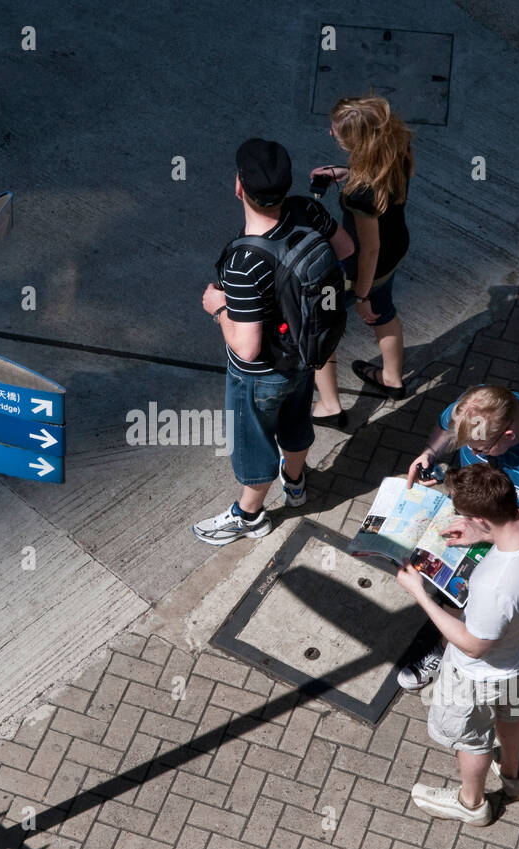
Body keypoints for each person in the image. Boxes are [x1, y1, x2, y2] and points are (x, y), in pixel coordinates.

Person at [395, 463, 519, 825]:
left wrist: (421, 595)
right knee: (514, 713)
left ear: (479, 516)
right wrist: (485, 535)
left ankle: (472, 803)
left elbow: (473, 645)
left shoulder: (494, 584)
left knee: (472, 738)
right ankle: (512, 776)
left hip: (480, 675)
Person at [192, 139, 354, 545]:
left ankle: (249, 515)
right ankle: (296, 484)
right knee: (296, 423)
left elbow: (245, 347)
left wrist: (217, 308)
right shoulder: (305, 209)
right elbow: (346, 248)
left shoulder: (245, 262)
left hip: (259, 375)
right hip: (305, 352)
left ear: (238, 187)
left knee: (253, 444)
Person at [397, 385, 519, 690]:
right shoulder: (477, 409)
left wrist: (491, 528)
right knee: (452, 590)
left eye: (481, 450)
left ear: (508, 436)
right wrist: (430, 453)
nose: (473, 455)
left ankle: (446, 650)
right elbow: (448, 427)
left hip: (510, 536)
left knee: (471, 602)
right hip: (482, 518)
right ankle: (447, 642)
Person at [310, 96, 415, 427]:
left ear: (358, 141)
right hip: (396, 251)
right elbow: (376, 178)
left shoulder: (360, 194)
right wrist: (346, 172)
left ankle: (329, 406)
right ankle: (392, 379)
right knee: (385, 315)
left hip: (365, 267)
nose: (330, 133)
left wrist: (361, 295)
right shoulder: (397, 150)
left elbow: (369, 247)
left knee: (319, 327)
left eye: (337, 131)